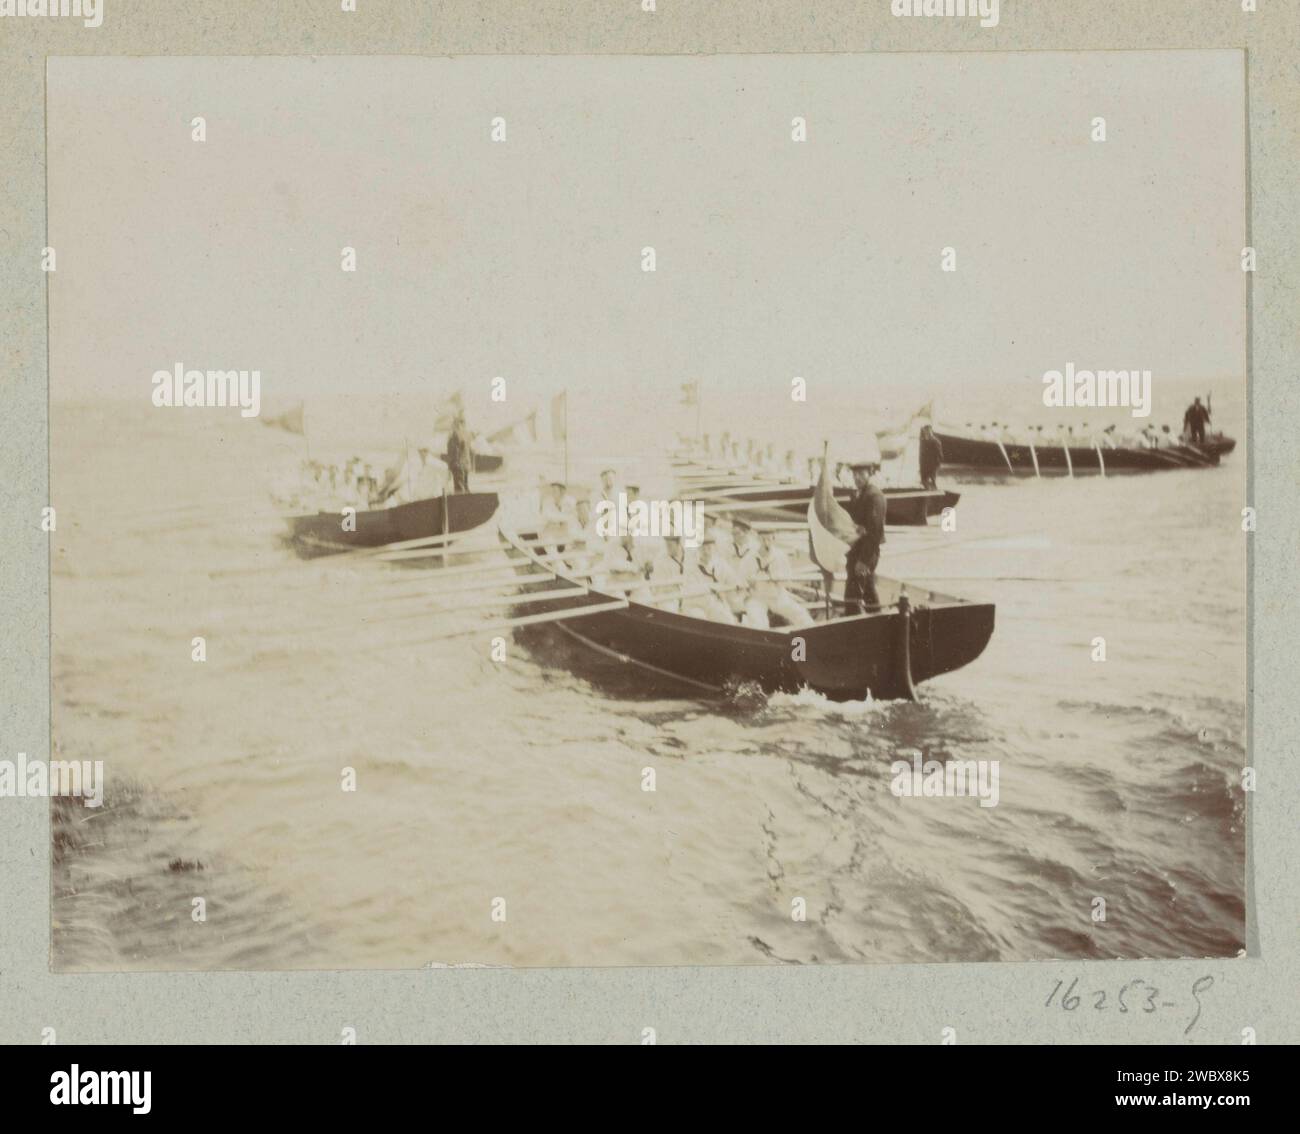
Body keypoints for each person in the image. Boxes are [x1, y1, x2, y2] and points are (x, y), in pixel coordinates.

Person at [842, 460, 887, 612]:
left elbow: (875, 532)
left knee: (852, 595)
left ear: (870, 474)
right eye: (855, 474)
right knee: (868, 593)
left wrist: (864, 561)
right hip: (856, 550)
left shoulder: (874, 497)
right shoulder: (859, 494)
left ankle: (851, 627)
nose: (857, 478)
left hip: (866, 553)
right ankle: (878, 622)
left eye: (861, 474)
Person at [746, 528, 813, 629]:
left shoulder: (780, 555)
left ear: (773, 539)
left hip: (777, 596)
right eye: (763, 539)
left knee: (801, 614)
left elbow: (787, 576)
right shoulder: (750, 556)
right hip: (758, 597)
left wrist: (774, 578)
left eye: (768, 539)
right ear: (758, 539)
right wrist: (750, 582)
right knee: (757, 622)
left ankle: (811, 636)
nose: (766, 542)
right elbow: (743, 578)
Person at [445, 411, 474, 493]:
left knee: (459, 490)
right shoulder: (467, 434)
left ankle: (462, 504)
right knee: (466, 487)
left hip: (458, 465)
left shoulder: (455, 434)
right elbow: (469, 450)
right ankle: (469, 504)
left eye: (453, 424)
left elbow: (454, 452)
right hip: (466, 465)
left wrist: (450, 466)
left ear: (456, 424)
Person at [918, 425, 943, 490]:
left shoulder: (935, 441)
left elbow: (940, 455)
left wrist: (937, 465)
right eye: (925, 431)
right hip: (924, 465)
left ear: (931, 431)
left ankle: (934, 492)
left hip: (932, 465)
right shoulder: (923, 441)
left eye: (928, 431)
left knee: (932, 481)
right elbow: (921, 454)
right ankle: (927, 492)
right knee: (924, 481)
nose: (927, 432)